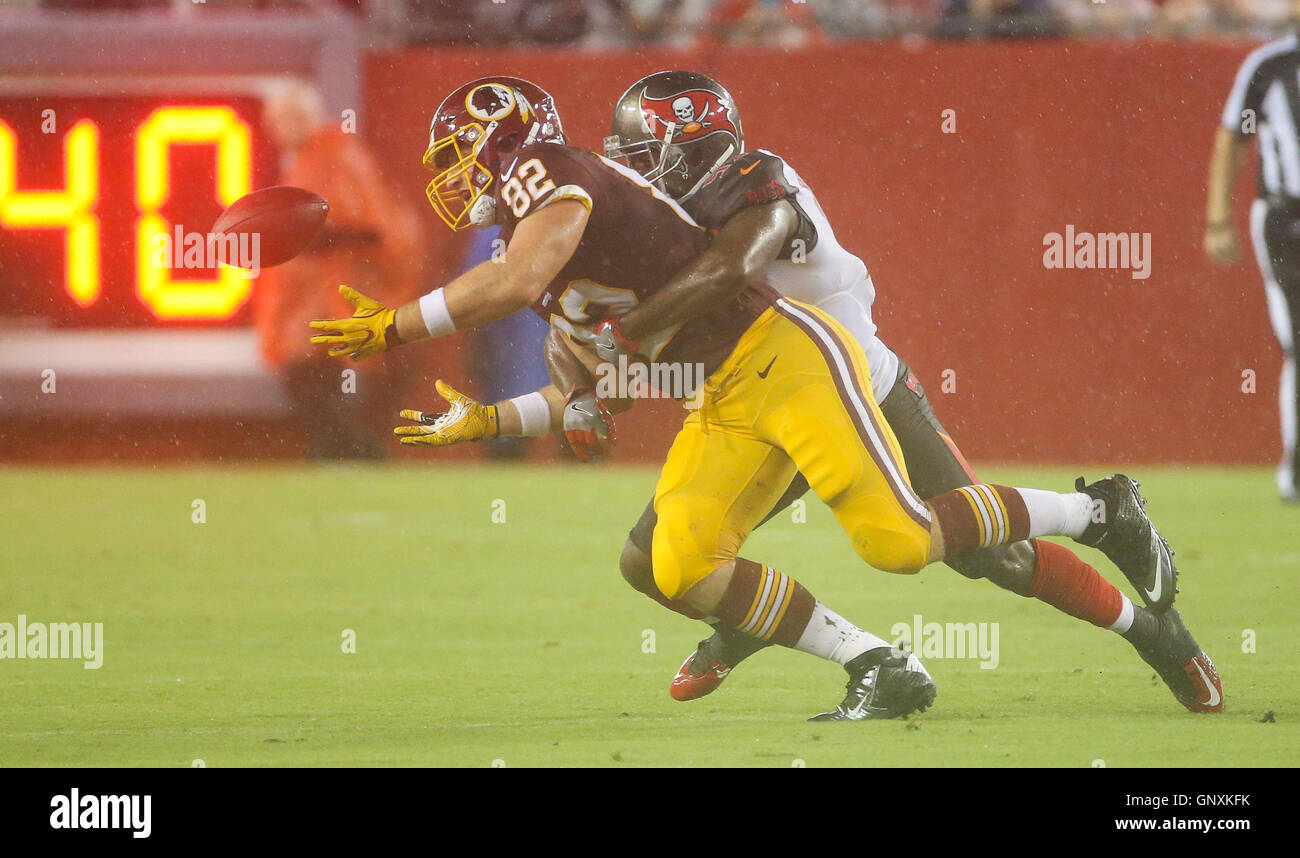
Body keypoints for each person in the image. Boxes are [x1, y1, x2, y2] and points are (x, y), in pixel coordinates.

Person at [310, 76, 1197, 720]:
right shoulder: (604, 227)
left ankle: (1116, 555)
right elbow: (597, 384)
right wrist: (510, 416)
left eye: (644, 155)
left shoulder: (749, 185)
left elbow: (725, 268)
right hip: (741, 397)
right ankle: (829, 646)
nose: (628, 166)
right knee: (657, 559)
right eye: (626, 156)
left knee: (959, 553)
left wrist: (628, 331)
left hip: (850, 377)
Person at [256, 82, 421, 458]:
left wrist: (302, 238)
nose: (283, 126)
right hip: (311, 313)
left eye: (293, 116)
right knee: (317, 404)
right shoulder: (311, 160)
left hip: (332, 311)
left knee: (332, 409)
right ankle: (346, 461)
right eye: (279, 118)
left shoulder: (337, 156)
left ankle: (353, 463)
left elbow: (366, 227)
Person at [1206, 22, 1300, 505]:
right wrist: (1218, 217)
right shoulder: (1268, 67)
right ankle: (1296, 471)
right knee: (1298, 340)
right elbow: (1233, 137)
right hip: (1287, 218)